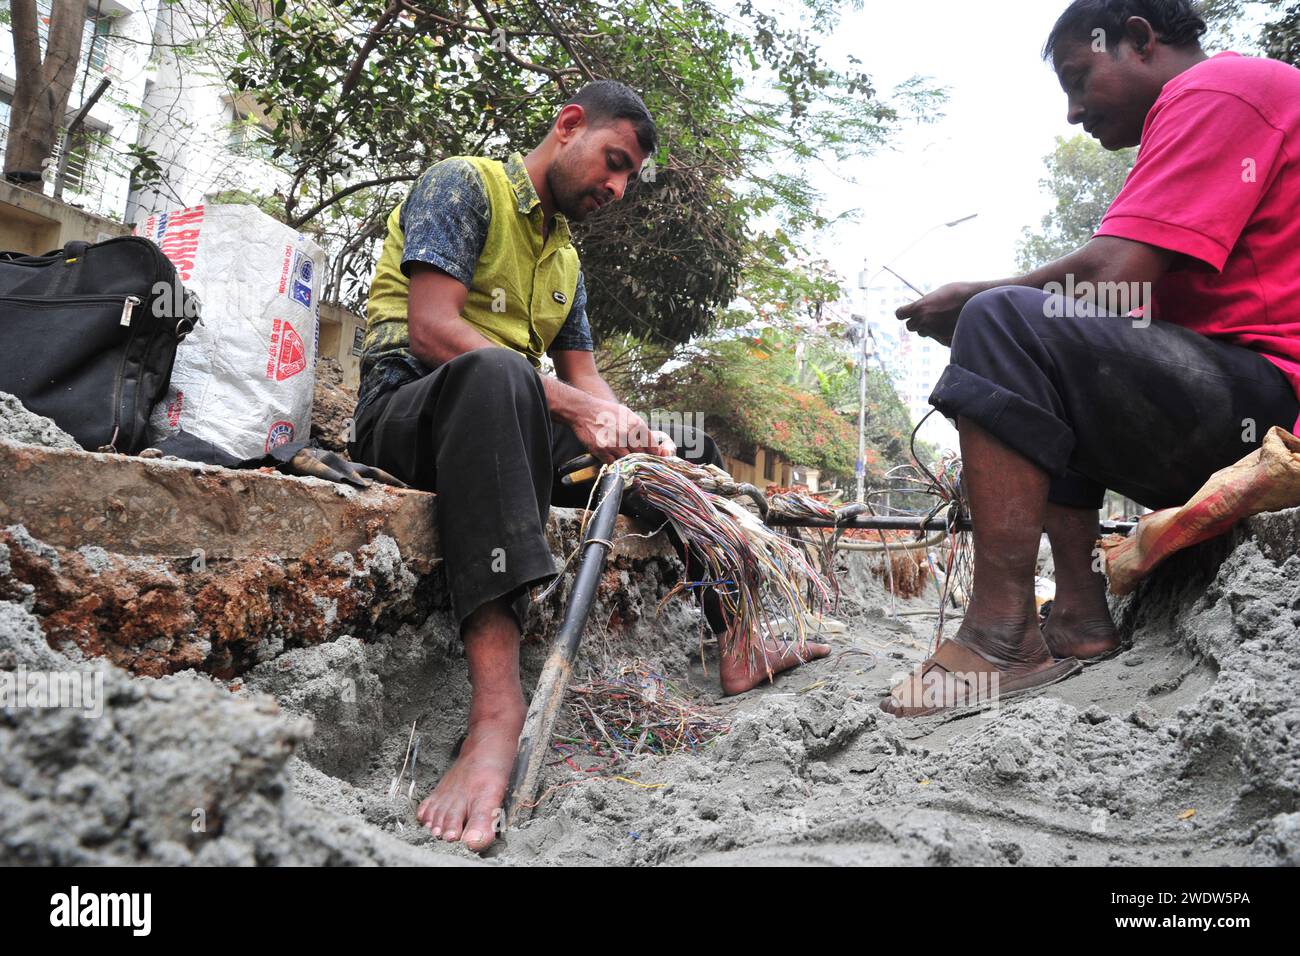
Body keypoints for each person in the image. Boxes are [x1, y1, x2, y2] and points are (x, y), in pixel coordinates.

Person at [349, 81, 829, 849]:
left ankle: (737, 641)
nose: (617, 187)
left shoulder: (566, 257)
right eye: (613, 163)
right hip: (408, 413)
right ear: (568, 126)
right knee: (500, 374)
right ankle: (496, 716)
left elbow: (584, 379)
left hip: (509, 422)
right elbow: (434, 331)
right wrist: (575, 410)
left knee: (687, 442)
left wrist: (631, 427)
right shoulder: (463, 183)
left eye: (629, 176)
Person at [885, 0, 1300, 716]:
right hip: (1243, 392)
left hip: (1274, 405)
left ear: (1137, 39)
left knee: (1005, 324)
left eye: (1080, 79)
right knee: (1039, 349)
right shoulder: (1216, 106)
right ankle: (1077, 616)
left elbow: (1116, 281)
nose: (1074, 112)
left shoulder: (1221, 91)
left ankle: (1001, 638)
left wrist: (974, 303)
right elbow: (1117, 311)